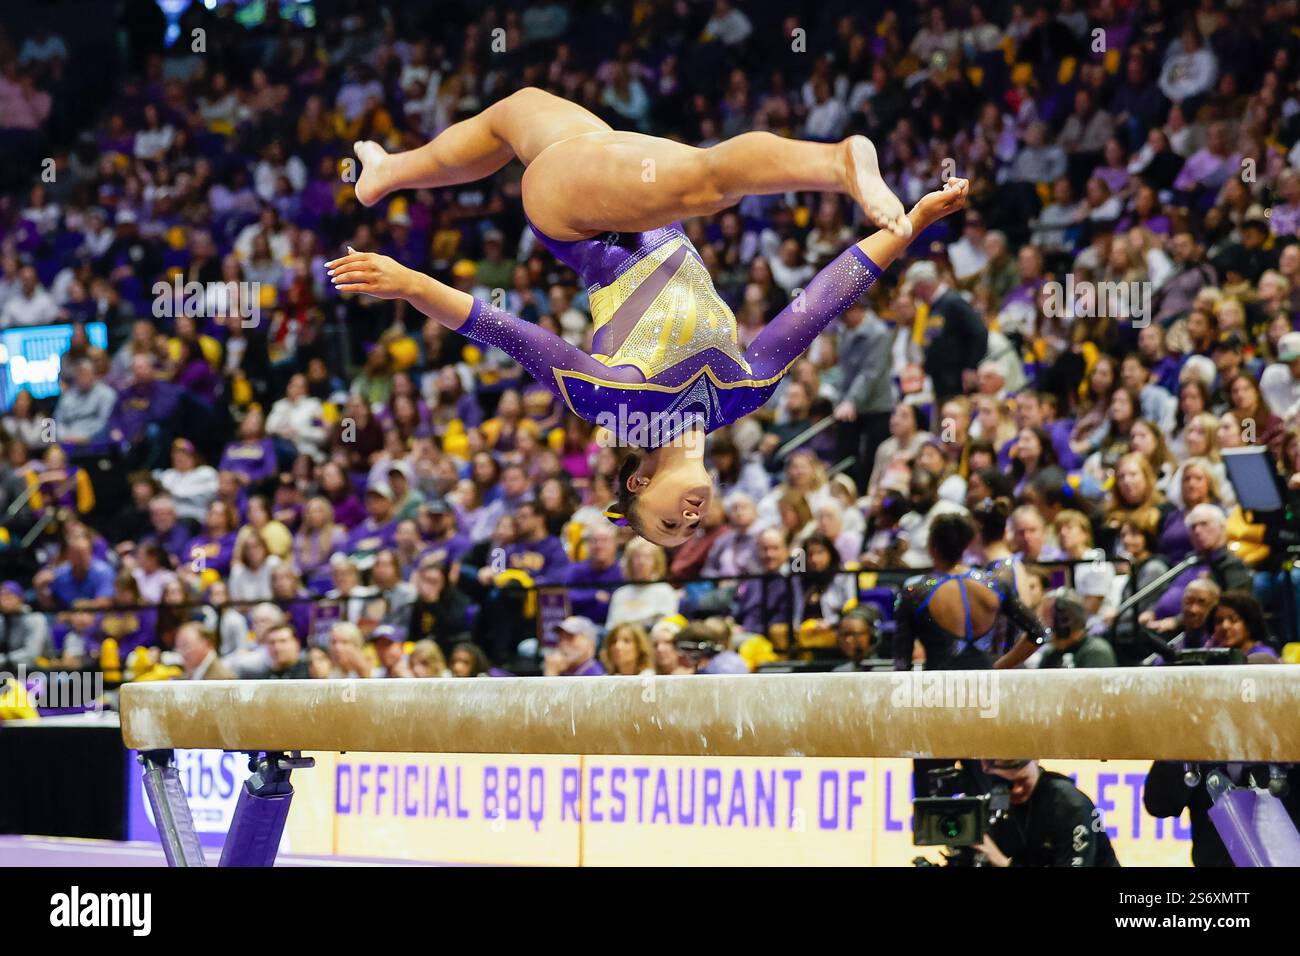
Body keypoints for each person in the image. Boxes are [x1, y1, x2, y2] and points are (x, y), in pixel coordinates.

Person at [330, 88, 972, 547]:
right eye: (690, 530)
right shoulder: (741, 393)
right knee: (514, 114)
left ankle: (835, 162)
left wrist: (410, 282)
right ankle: (389, 173)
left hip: (585, 222)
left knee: (708, 179)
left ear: (637, 481)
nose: (691, 518)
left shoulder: (614, 402)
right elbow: (822, 301)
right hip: (627, 204)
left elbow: (504, 331)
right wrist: (911, 224)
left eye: (668, 523)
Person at [893, 512, 1048, 671]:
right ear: (966, 546)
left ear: (932, 547)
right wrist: (999, 667)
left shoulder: (915, 593)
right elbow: (1039, 634)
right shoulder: (993, 585)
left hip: (940, 687)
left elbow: (901, 663)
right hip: (987, 686)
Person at [976, 759, 1120, 867]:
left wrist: (1003, 864)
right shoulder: (997, 803)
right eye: (1007, 785)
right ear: (984, 767)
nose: (1017, 790)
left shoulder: (1069, 805)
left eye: (1023, 781)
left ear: (1036, 760)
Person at [1036, 588, 1117, 668]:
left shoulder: (1096, 652)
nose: (1042, 625)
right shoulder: (1049, 655)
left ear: (1064, 623)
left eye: (1045, 618)